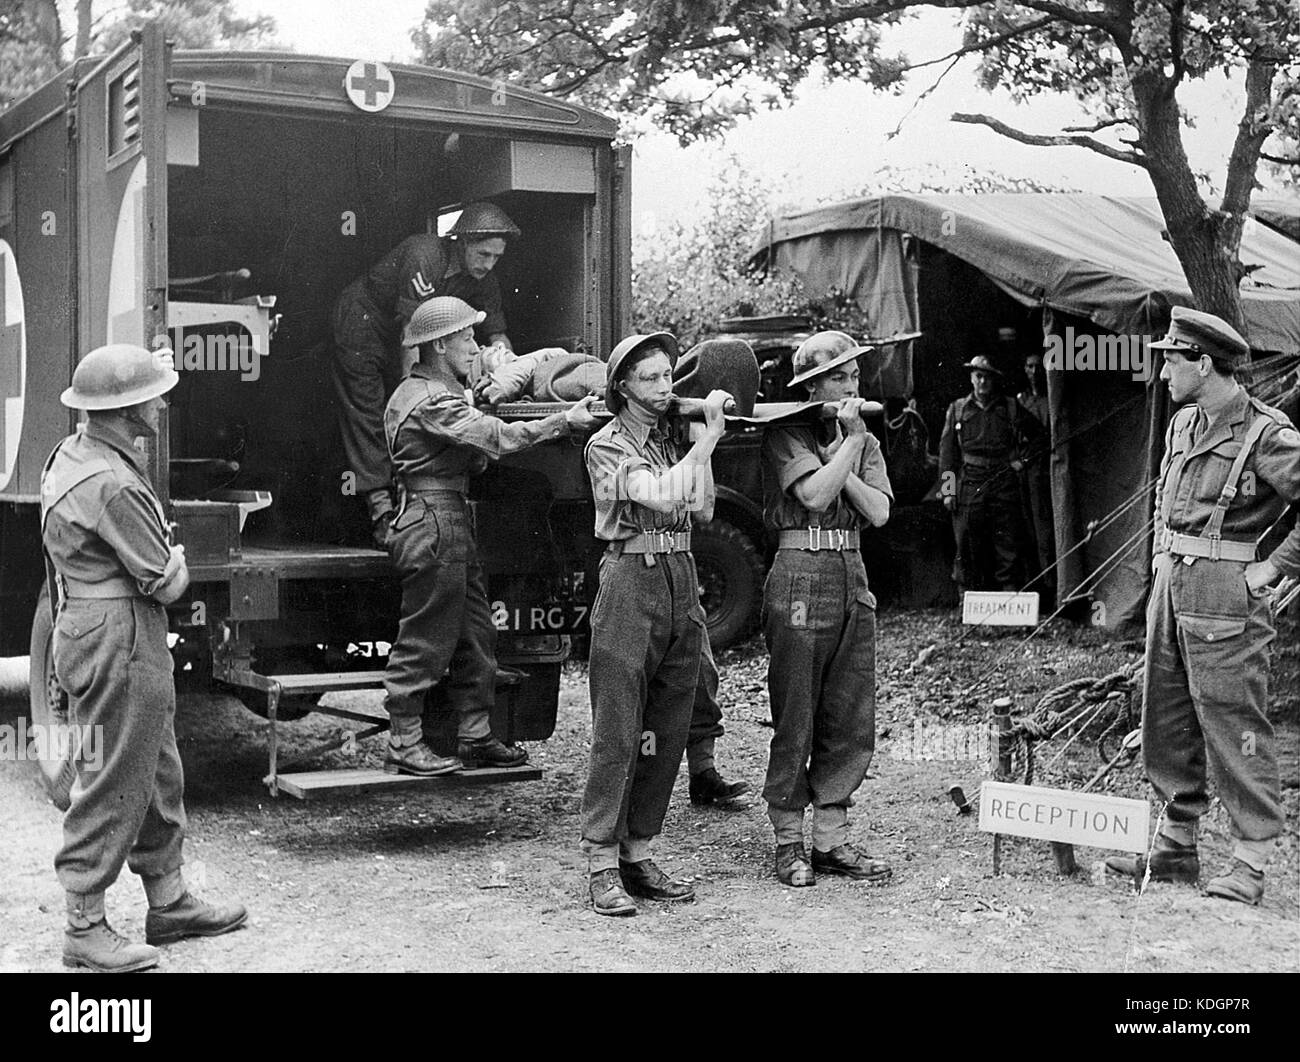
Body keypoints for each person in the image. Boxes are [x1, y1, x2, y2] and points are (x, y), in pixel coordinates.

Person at [41, 343, 246, 973]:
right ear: (129, 410)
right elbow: (166, 582)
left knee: (154, 767)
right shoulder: (113, 483)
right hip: (120, 634)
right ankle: (83, 928)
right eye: (152, 395)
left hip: (93, 626)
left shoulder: (73, 454)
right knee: (112, 781)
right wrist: (177, 561)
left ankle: (170, 901)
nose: (161, 402)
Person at [1105, 307, 1300, 905]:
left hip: (1226, 594)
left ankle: (1250, 859)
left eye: (1170, 359)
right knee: (1164, 713)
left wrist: (1275, 566)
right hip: (1173, 582)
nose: (1162, 372)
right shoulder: (1183, 425)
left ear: (1204, 363)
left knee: (1234, 719)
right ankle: (1176, 841)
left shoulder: (1267, 434)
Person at [381, 297, 599, 776]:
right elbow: (495, 440)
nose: (475, 346)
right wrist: (563, 420)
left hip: (447, 518)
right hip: (434, 521)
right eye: (466, 338)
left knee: (477, 631)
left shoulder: (435, 392)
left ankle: (476, 735)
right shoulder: (429, 399)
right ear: (440, 343)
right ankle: (404, 741)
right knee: (427, 637)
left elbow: (474, 457)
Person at [581, 332, 731, 915]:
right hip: (630, 581)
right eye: (650, 378)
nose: (665, 387)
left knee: (667, 725)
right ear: (623, 388)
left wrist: (701, 444)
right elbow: (664, 499)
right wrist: (709, 439)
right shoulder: (606, 446)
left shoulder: (673, 442)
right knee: (620, 726)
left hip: (679, 575)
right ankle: (600, 862)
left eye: (669, 376)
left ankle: (638, 853)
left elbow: (704, 507)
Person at [760, 331, 894, 888]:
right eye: (839, 377)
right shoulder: (786, 431)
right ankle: (789, 842)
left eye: (855, 375)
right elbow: (814, 496)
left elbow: (880, 512)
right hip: (800, 573)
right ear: (812, 385)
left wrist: (856, 444)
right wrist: (850, 449)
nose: (851, 385)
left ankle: (830, 841)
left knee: (849, 710)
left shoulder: (862, 438)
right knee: (798, 709)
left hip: (850, 572)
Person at [332, 201, 521, 546]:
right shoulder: (425, 255)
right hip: (365, 321)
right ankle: (382, 513)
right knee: (372, 410)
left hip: (407, 333)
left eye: (496, 257)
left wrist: (508, 367)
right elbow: (411, 339)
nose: (488, 264)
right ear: (461, 242)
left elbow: (497, 332)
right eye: (482, 254)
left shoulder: (485, 277)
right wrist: (411, 397)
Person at [938, 354, 1039, 593]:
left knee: (1008, 540)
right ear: (971, 379)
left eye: (987, 378)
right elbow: (947, 454)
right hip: (970, 481)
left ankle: (1010, 597)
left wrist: (1022, 461)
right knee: (966, 541)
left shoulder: (1011, 407)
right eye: (978, 376)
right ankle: (968, 597)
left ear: (994, 381)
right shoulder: (958, 409)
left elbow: (1039, 438)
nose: (982, 382)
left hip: (1003, 480)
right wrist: (948, 492)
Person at [1017, 350, 1056, 604]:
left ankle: (1051, 589)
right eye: (1029, 367)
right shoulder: (1019, 401)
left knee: (1045, 530)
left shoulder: (1051, 400)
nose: (1034, 372)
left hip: (1044, 468)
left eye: (1038, 367)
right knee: (1024, 528)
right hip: (1023, 470)